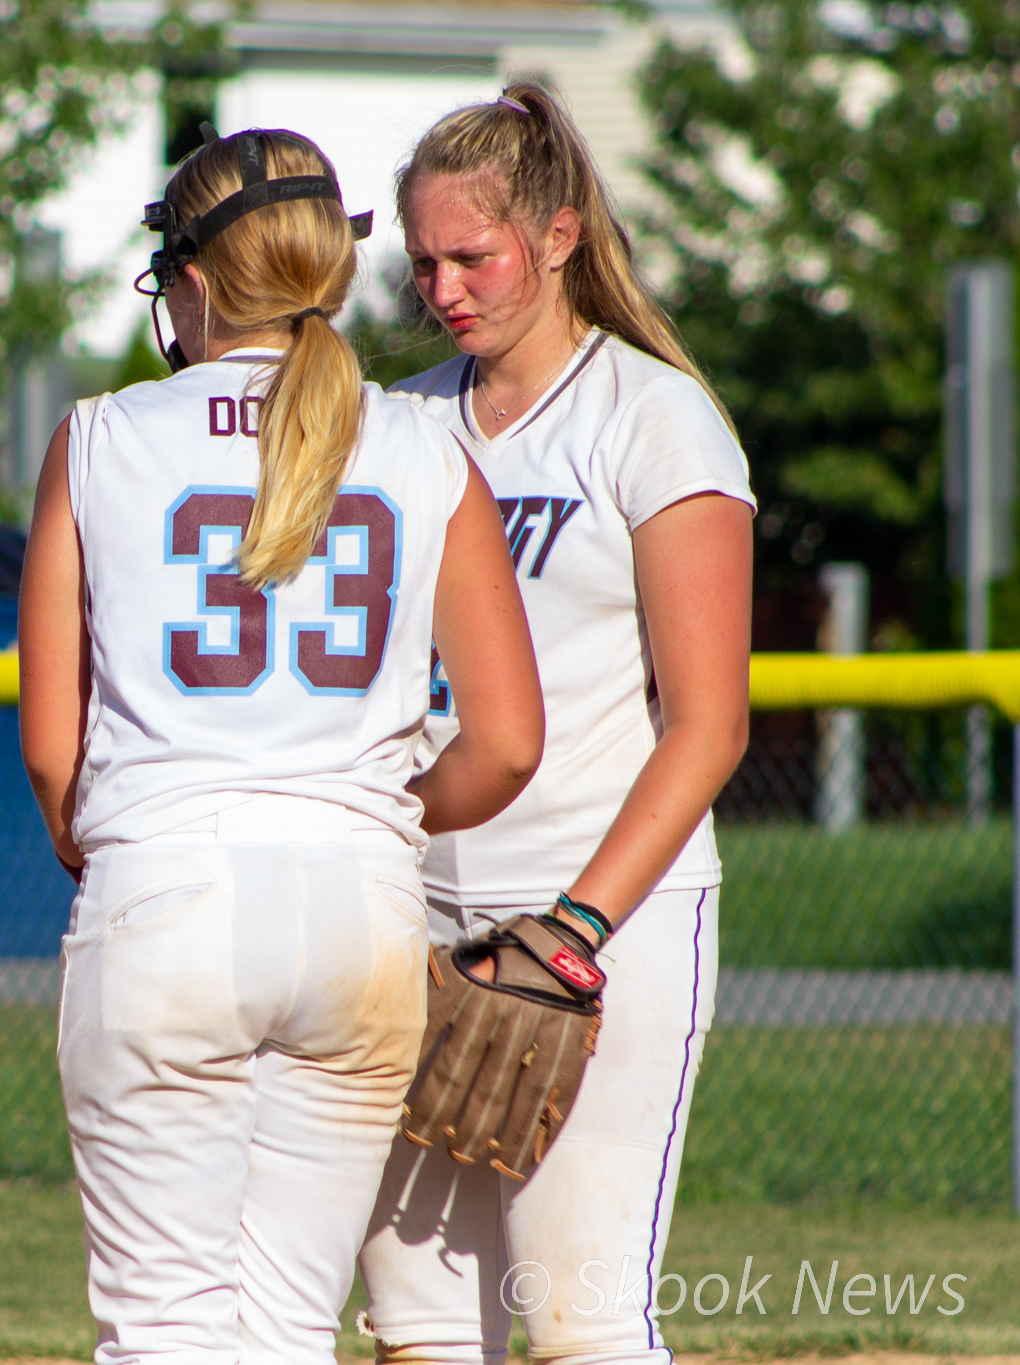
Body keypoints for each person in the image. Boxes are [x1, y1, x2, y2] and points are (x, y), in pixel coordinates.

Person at [17, 125, 545, 1365]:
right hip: (358, 905)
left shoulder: (99, 435)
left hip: (169, 883)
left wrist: (105, 849)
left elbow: (54, 749)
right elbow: (510, 743)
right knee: (284, 1331)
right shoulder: (424, 445)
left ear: (192, 279)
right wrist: (373, 815)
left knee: (166, 1331)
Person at [355, 82, 754, 1365]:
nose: (443, 288)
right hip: (409, 919)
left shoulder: (649, 416)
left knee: (583, 1330)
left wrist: (571, 932)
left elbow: (707, 727)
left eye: (472, 254)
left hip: (597, 930)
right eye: (422, 261)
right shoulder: (400, 423)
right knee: (416, 1332)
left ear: (561, 234)